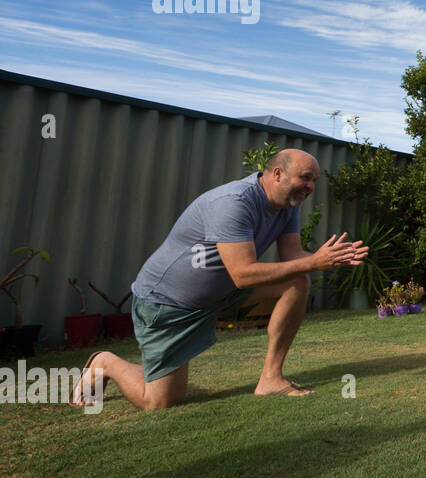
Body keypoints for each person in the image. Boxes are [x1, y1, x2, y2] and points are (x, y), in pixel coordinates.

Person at [71, 148, 368, 410]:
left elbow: (292, 256)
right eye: (306, 177)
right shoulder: (233, 203)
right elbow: (243, 274)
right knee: (159, 402)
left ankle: (270, 379)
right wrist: (314, 262)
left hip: (219, 295)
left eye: (314, 180)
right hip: (167, 304)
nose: (311, 186)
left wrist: (326, 258)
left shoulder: (286, 205)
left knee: (297, 282)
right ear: (277, 173)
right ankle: (105, 362)